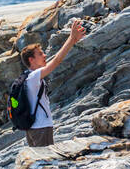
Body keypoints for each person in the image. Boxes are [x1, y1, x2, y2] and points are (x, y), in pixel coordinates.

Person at [18, 18, 87, 146]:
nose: (44, 55)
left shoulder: (27, 77)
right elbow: (56, 61)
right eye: (40, 54)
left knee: (39, 162)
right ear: (31, 60)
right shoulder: (33, 77)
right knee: (45, 161)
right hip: (41, 127)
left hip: (34, 127)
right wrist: (71, 39)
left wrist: (74, 39)